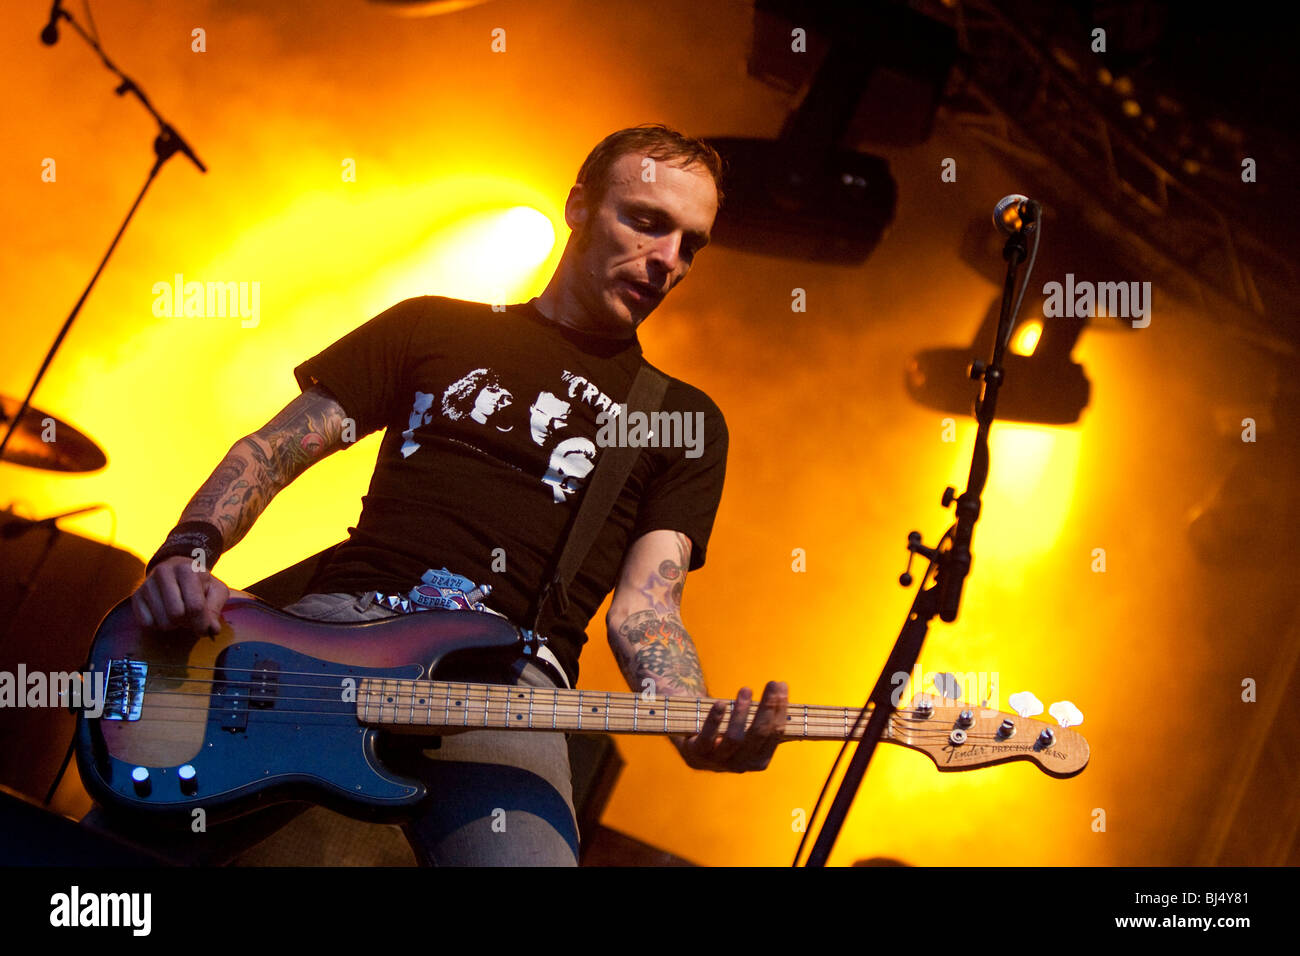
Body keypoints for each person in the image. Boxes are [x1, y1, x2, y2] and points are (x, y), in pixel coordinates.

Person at [94, 124, 790, 866]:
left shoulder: (680, 419)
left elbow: (648, 607)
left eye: (690, 244)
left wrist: (690, 720)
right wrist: (187, 553)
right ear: (579, 205)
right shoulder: (435, 325)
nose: (666, 262)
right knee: (114, 860)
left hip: (511, 692)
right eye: (646, 222)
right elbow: (271, 452)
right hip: (335, 634)